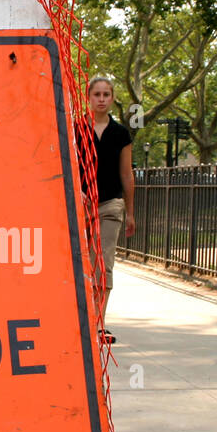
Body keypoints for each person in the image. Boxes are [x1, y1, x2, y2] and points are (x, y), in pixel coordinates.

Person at [81, 76, 136, 343]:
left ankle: (99, 323)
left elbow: (126, 174)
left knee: (104, 263)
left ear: (112, 97)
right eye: (97, 94)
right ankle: (81, 318)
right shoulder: (76, 128)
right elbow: (63, 164)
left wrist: (131, 211)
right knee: (82, 263)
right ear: (88, 97)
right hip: (81, 204)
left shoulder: (121, 134)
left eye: (106, 94)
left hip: (110, 205)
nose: (101, 99)